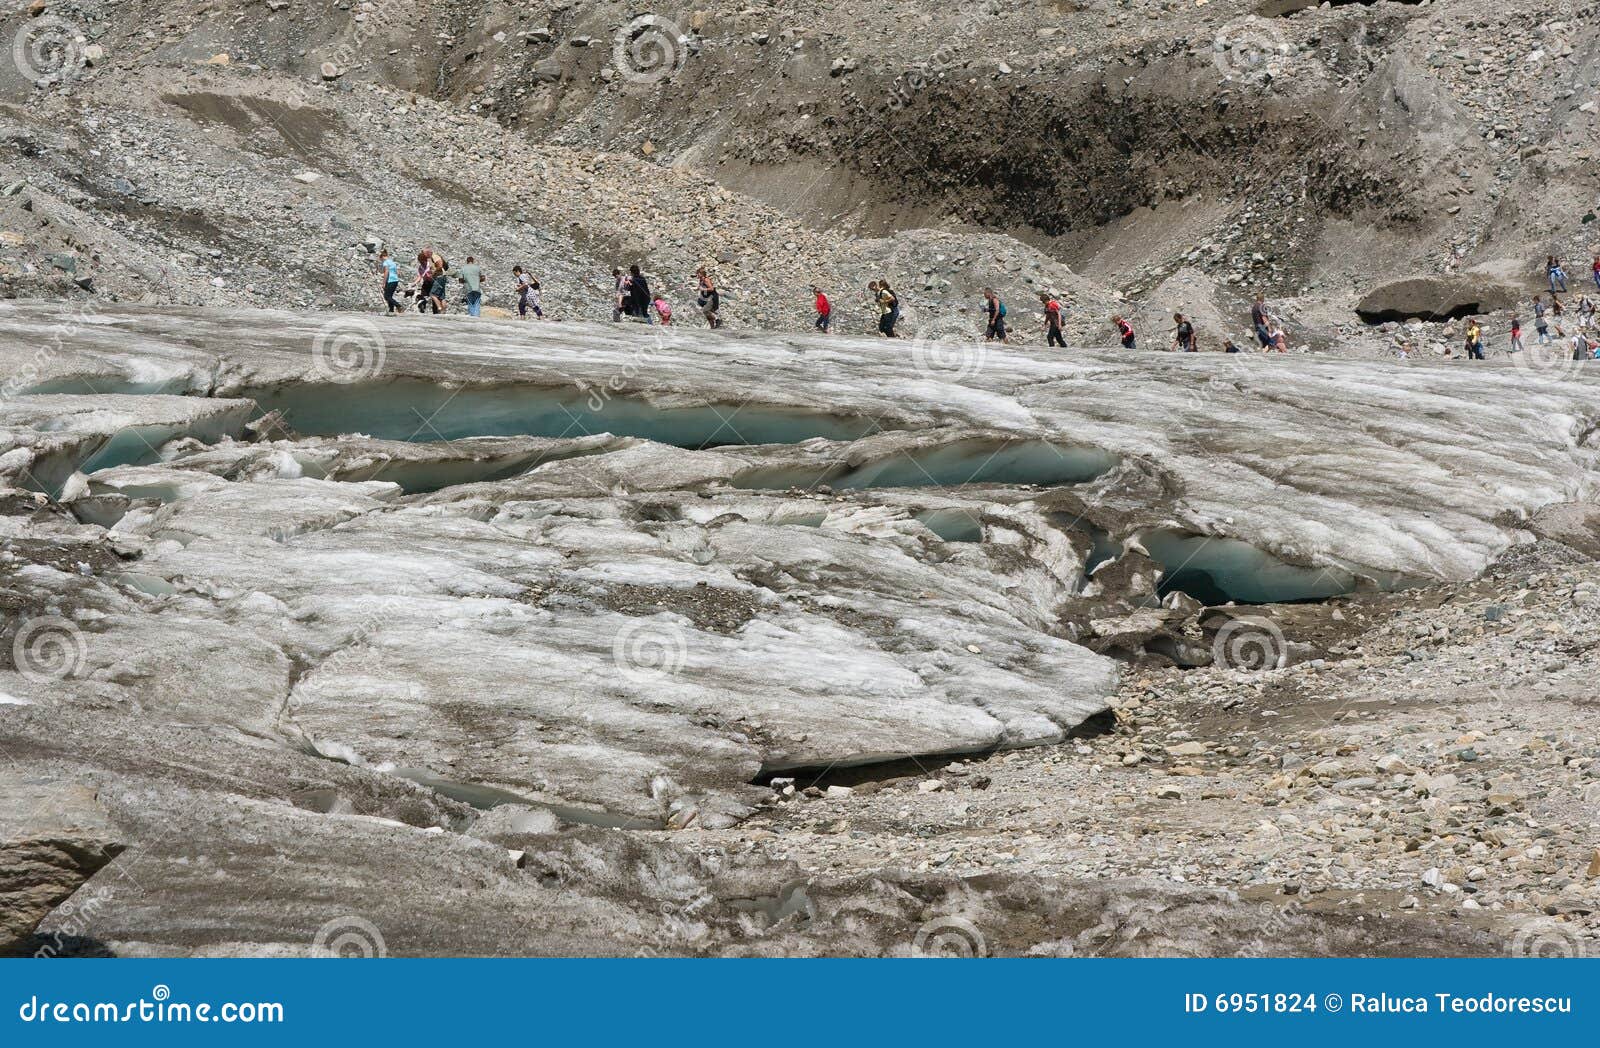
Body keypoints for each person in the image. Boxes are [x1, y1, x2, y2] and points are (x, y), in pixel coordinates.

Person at [377, 250, 402, 314]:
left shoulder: (386, 263)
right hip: (395, 280)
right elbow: (397, 272)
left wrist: (384, 283)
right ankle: (391, 310)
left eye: (381, 259)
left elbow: (386, 273)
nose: (382, 261)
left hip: (390, 280)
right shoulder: (392, 262)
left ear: (382, 257)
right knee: (390, 296)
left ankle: (398, 305)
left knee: (386, 296)